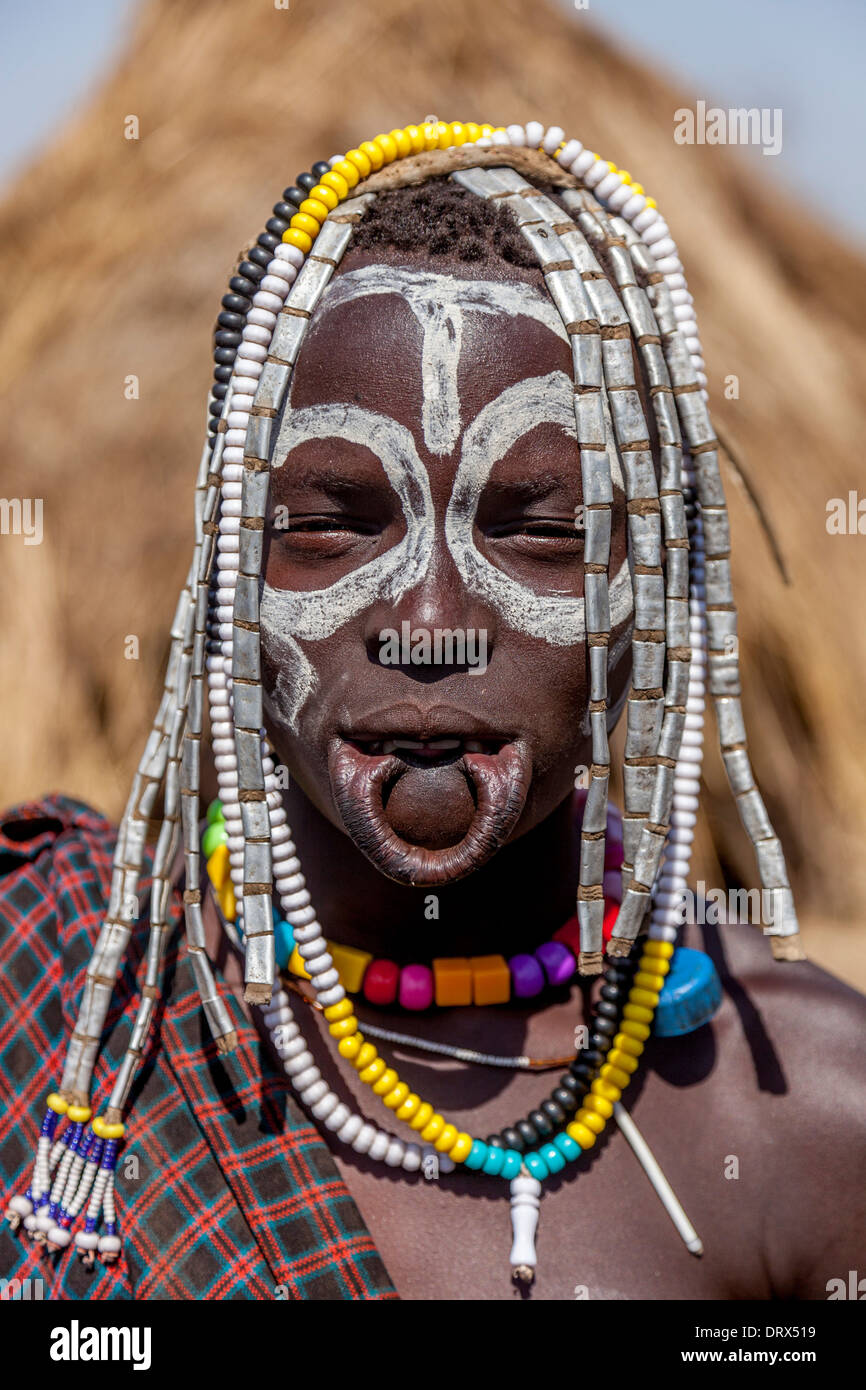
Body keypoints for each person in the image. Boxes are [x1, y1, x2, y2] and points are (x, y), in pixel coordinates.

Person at [2, 120, 863, 1302]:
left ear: (641, 589)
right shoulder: (63, 996)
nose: (429, 620)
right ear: (225, 571)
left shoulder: (801, 1115)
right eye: (334, 520)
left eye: (535, 529)